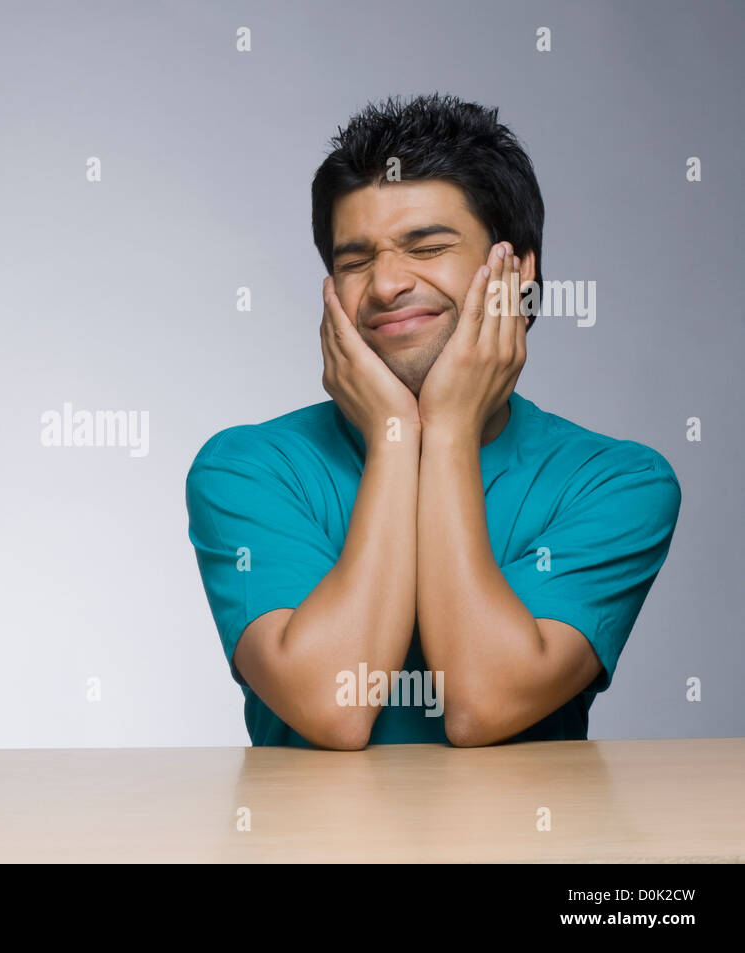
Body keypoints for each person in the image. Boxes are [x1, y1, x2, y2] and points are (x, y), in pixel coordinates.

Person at [185, 93, 681, 749]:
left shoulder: (615, 482)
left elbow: (482, 701)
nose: (386, 284)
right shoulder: (249, 469)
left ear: (517, 275)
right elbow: (333, 705)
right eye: (355, 259)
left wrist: (445, 431)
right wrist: (397, 434)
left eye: (427, 246)